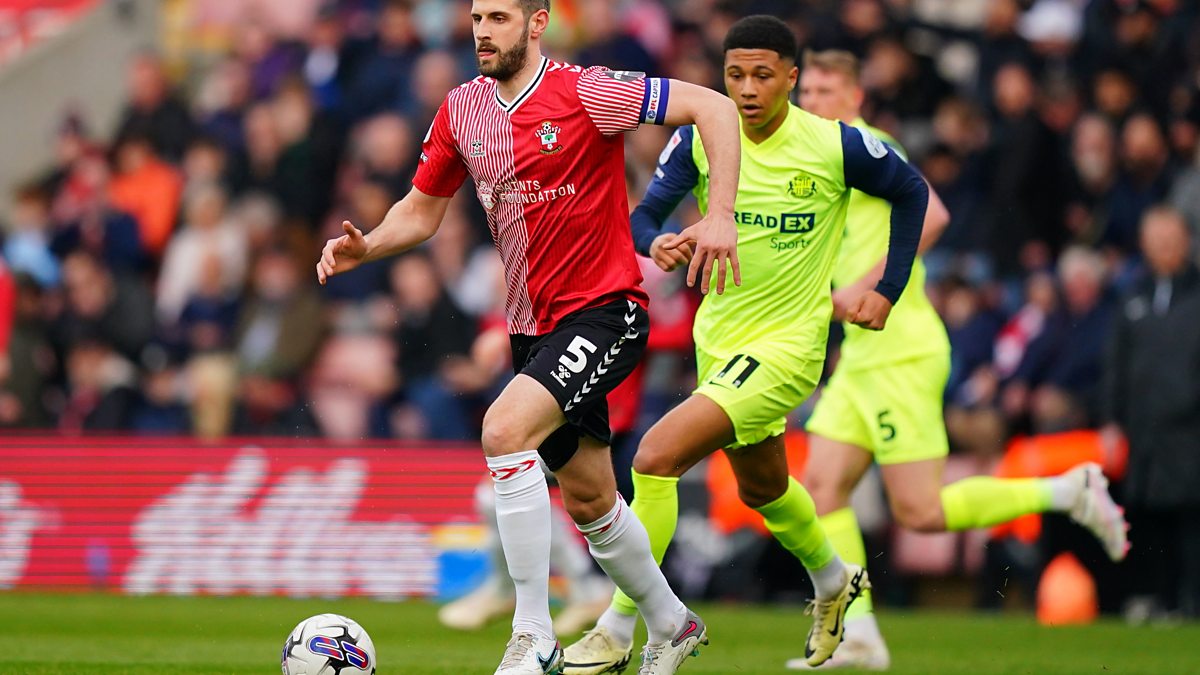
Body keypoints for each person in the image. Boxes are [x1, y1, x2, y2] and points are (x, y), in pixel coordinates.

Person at [316, 1, 744, 673]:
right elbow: (422, 210)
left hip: (607, 310)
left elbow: (714, 108)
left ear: (537, 23)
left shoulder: (589, 91)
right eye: (476, 17)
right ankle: (671, 620)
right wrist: (368, 246)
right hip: (531, 328)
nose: (482, 30)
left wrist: (720, 214)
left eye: (499, 17)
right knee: (590, 497)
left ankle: (532, 632)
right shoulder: (462, 109)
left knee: (503, 430)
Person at [564, 17, 928, 674]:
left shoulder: (833, 146)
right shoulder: (702, 139)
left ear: (792, 76)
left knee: (654, 457)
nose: (748, 89)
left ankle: (623, 625)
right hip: (721, 341)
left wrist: (888, 287)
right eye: (736, 75)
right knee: (765, 487)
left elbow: (911, 191)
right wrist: (659, 242)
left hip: (789, 347)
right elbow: (643, 215)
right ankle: (833, 578)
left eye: (764, 74)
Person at [791, 50, 1130, 669]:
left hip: (902, 350)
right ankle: (860, 635)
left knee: (920, 512)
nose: (810, 100)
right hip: (862, 358)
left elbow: (934, 216)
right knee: (822, 490)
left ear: (855, 97)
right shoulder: (817, 159)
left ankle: (1069, 491)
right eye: (805, 90)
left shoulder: (869, 145)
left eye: (824, 89)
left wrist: (868, 286)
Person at [1103, 206, 1200, 621]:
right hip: (1143, 430)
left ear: (1186, 240)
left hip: (1191, 429)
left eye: (1170, 238)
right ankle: (1156, 598)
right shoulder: (1133, 297)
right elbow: (1115, 365)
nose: (1163, 246)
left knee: (1191, 518)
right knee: (1148, 516)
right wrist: (1110, 419)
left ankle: (1191, 600)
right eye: (1155, 238)